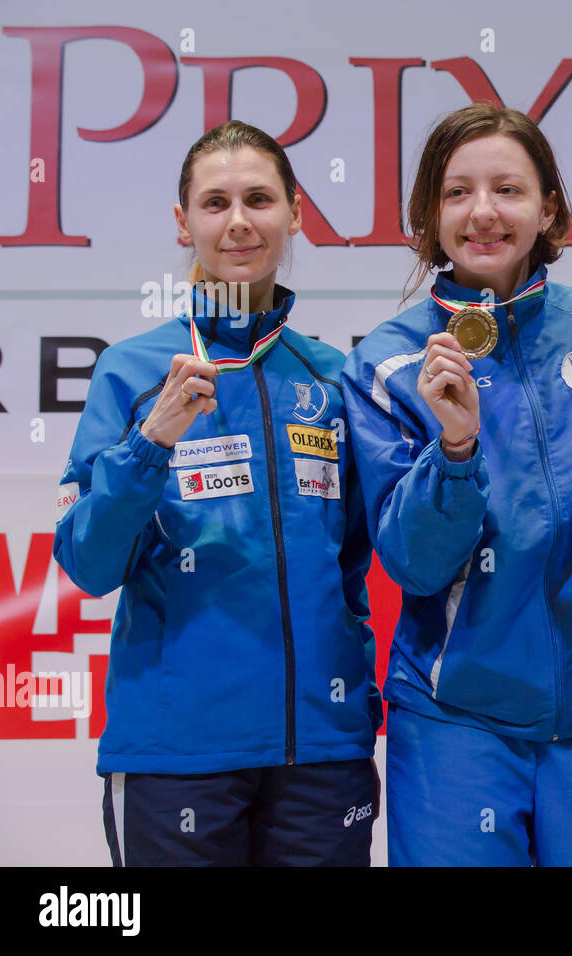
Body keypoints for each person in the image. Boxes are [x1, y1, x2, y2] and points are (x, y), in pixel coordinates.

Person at [341, 104, 572, 866]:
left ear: (548, 206)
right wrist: (456, 447)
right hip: (455, 722)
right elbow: (415, 568)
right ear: (428, 213)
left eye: (508, 190)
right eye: (457, 193)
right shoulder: (387, 364)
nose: (483, 213)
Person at [53, 121, 382, 866]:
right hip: (178, 755)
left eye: (260, 199)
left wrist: (350, 702)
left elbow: (354, 562)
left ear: (295, 213)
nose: (239, 221)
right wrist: (150, 444)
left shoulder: (331, 375)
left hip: (322, 752)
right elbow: (89, 564)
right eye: (216, 203)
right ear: (184, 222)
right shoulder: (133, 373)